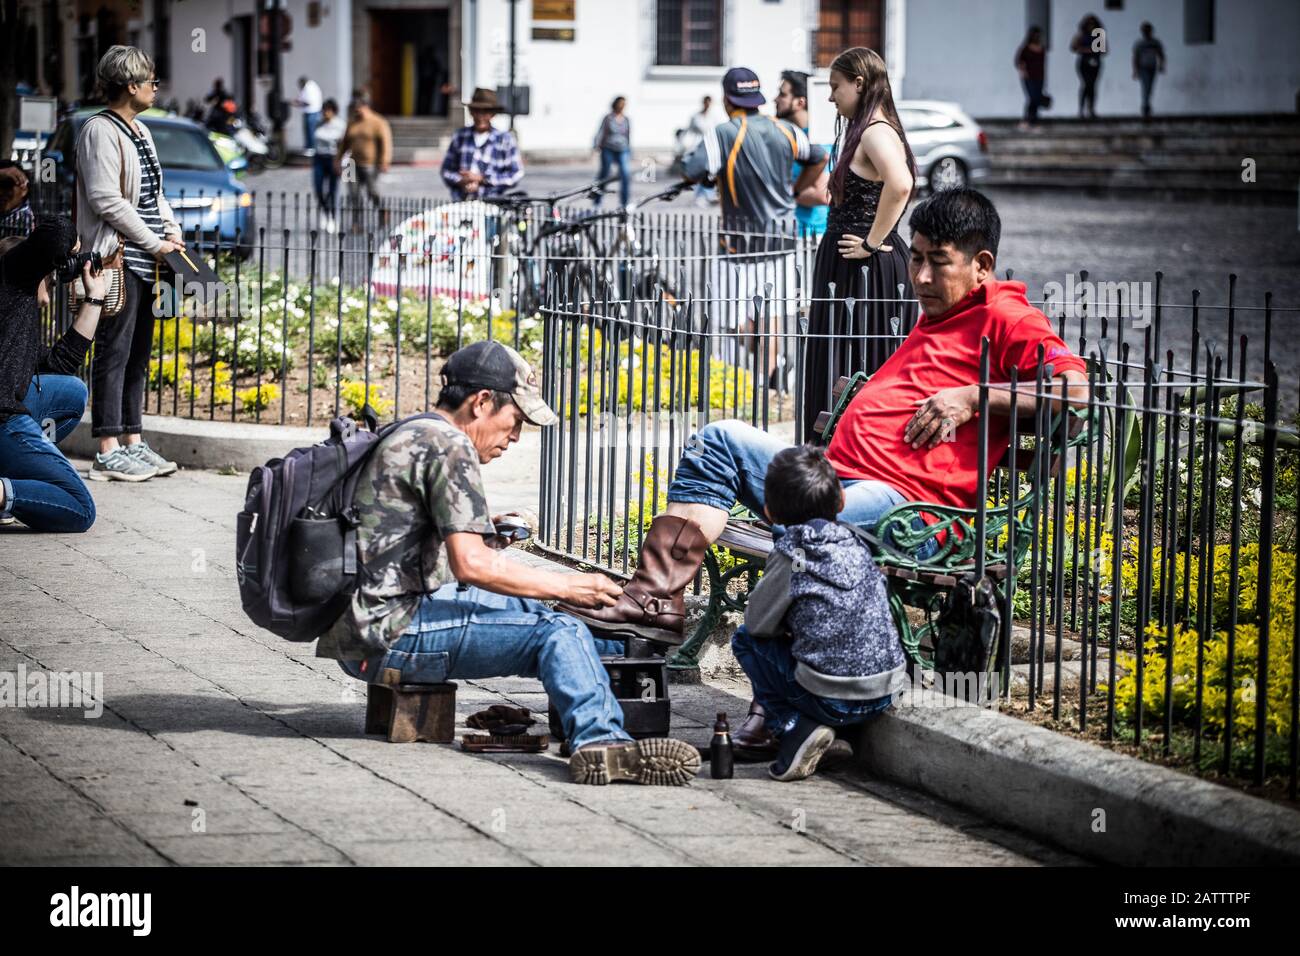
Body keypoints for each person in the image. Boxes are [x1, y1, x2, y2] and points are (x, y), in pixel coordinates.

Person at [559, 187, 1089, 756]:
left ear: (981, 265)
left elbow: (1077, 390)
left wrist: (972, 396)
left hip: (904, 507)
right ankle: (654, 602)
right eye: (916, 257)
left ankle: (779, 701)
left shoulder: (1007, 316)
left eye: (940, 262)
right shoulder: (942, 313)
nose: (921, 277)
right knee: (720, 441)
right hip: (835, 477)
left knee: (807, 531)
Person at [323, 340, 700, 786]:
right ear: (482, 402)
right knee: (557, 628)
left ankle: (605, 679)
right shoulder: (449, 446)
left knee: (542, 614)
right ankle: (602, 742)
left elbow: (405, 535)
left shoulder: (414, 429)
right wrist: (569, 585)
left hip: (362, 624)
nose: (516, 437)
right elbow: (472, 567)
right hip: (388, 636)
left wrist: (489, 529)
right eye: (515, 420)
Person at [732, 445, 907, 780]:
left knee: (745, 641)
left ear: (769, 512)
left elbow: (757, 624)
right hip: (885, 691)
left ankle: (793, 728)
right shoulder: (856, 541)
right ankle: (828, 728)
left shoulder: (792, 553)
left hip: (833, 700)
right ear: (841, 501)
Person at [74, 44, 182, 483]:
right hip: (120, 256)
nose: (156, 88)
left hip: (150, 256)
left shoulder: (141, 130)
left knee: (138, 353)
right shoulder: (99, 130)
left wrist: (171, 231)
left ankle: (133, 439)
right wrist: (154, 241)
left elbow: (155, 192)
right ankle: (107, 446)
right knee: (113, 351)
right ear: (131, 85)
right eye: (151, 81)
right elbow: (105, 199)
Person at [680, 67, 828, 386]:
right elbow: (817, 157)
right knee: (770, 315)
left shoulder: (724, 133)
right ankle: (767, 378)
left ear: (726, 98)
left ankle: (764, 374)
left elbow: (691, 170)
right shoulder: (784, 130)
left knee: (729, 319)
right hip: (783, 240)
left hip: (739, 243)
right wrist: (796, 190)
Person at [801, 47, 917, 441]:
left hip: (861, 265)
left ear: (859, 83)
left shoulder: (874, 130)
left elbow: (900, 184)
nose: (831, 96)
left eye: (836, 86)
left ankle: (846, 452)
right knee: (850, 356)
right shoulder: (867, 129)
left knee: (856, 358)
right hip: (853, 262)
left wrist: (872, 241)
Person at [0, 218, 107, 532]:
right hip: (3, 416)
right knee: (79, 507)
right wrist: (76, 246)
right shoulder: (13, 276)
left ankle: (14, 480)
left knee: (71, 392)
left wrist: (94, 298)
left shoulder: (14, 315)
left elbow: (59, 364)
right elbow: (55, 235)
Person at [774, 70, 831, 241]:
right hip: (791, 233)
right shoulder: (792, 136)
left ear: (800, 102)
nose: (775, 99)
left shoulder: (818, 139)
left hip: (811, 235)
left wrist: (783, 194)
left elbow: (822, 195)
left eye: (782, 94)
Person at [440, 88, 524, 201]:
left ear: (493, 114)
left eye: (485, 112)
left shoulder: (505, 140)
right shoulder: (460, 137)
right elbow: (446, 170)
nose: (480, 116)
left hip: (492, 203)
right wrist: (462, 180)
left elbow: (516, 174)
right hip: (461, 201)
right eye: (476, 111)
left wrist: (482, 179)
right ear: (471, 112)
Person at [336, 91, 392, 232]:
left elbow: (386, 143)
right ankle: (356, 223)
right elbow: (345, 143)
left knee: (372, 191)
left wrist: (385, 160)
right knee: (353, 194)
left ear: (366, 106)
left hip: (370, 164)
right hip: (352, 164)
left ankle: (382, 211)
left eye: (359, 107)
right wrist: (337, 159)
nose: (356, 110)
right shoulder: (352, 123)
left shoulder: (378, 122)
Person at [312, 98, 345, 233]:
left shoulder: (340, 125)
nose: (325, 113)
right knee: (318, 189)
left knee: (332, 190)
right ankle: (325, 212)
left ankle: (333, 217)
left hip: (333, 158)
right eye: (324, 110)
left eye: (328, 110)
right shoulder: (318, 124)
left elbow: (343, 144)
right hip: (319, 158)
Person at [593, 96, 632, 208]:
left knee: (625, 174)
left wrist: (629, 151)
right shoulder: (608, 118)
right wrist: (596, 145)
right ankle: (597, 201)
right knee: (605, 174)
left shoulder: (626, 119)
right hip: (608, 148)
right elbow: (601, 132)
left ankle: (624, 203)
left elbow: (628, 135)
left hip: (623, 149)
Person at [1070, 14, 1106, 119]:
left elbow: (1105, 50)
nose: (1091, 27)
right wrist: (1086, 49)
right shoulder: (1081, 35)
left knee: (1093, 86)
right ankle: (1081, 109)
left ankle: (1091, 109)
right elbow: (1073, 47)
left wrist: (1097, 49)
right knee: (1086, 84)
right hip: (1084, 62)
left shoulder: (1099, 36)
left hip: (1095, 62)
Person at [1015, 26, 1047, 129]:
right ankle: (1027, 119)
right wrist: (1023, 70)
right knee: (1032, 97)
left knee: (1036, 98)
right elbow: (1018, 60)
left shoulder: (1041, 48)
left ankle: (1033, 119)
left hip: (1039, 76)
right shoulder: (1025, 48)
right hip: (1028, 77)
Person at [1132, 22, 1166, 120]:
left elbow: (1161, 55)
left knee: (1150, 87)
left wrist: (1161, 65)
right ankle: (1146, 107)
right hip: (1143, 67)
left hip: (1152, 66)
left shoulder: (1155, 43)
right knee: (1145, 86)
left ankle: (1147, 105)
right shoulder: (1140, 44)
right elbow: (1135, 58)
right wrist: (1135, 70)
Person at [292, 75, 324, 156]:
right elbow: (302, 98)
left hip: (312, 112)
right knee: (308, 130)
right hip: (309, 112)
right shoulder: (308, 87)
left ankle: (311, 148)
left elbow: (308, 102)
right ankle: (308, 147)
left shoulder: (309, 88)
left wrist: (298, 103)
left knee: (311, 131)